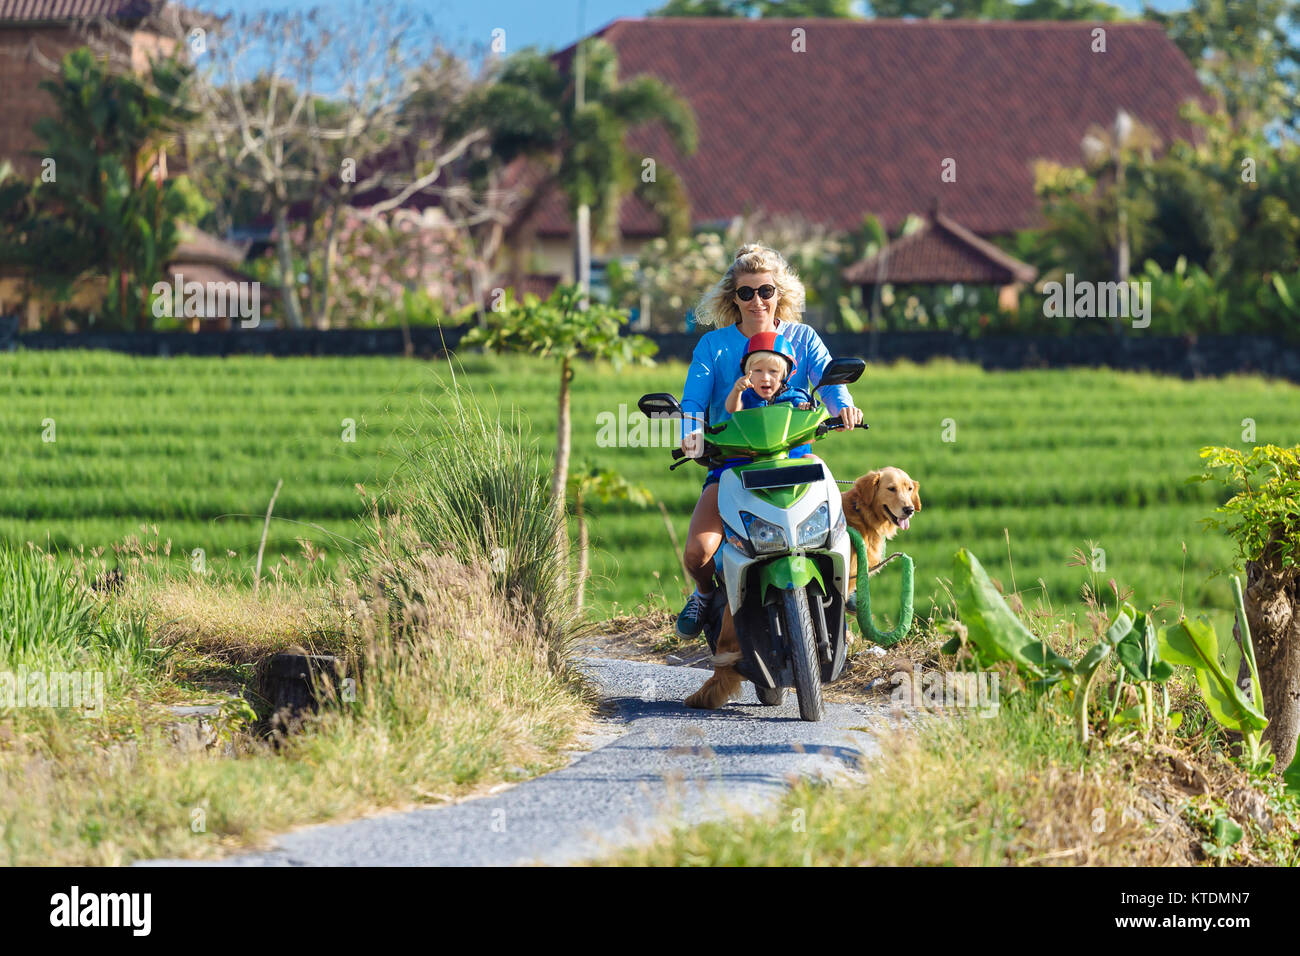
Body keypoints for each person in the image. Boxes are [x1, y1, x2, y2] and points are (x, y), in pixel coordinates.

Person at [675, 243, 862, 640]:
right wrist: (691, 432)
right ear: (733, 298)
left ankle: (845, 592)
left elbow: (830, 381)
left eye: (766, 291)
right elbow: (692, 400)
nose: (757, 300)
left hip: (796, 461)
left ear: (781, 294)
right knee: (697, 553)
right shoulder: (713, 345)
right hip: (732, 464)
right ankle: (705, 595)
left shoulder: (803, 337)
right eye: (746, 292)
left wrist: (844, 408)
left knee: (838, 534)